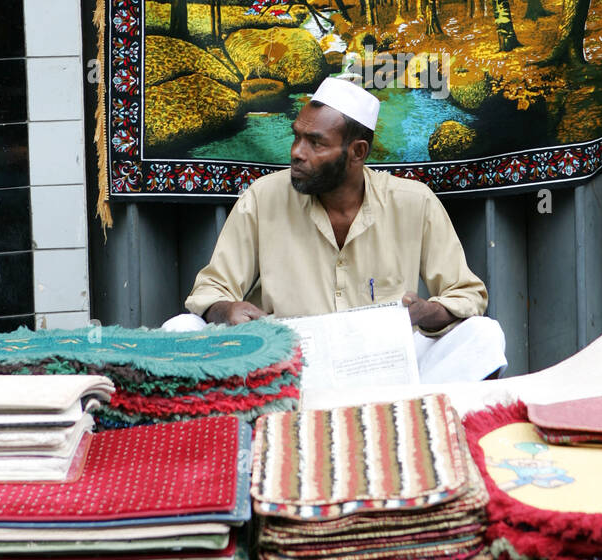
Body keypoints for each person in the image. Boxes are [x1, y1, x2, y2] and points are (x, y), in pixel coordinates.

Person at [169, 76, 506, 382]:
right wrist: (226, 310)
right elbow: (211, 290)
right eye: (297, 137)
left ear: (357, 152)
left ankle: (425, 429)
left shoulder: (413, 202)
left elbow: (467, 295)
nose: (297, 153)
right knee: (180, 331)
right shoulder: (262, 198)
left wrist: (425, 312)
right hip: (289, 368)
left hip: (382, 366)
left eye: (315, 143)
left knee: (483, 336)